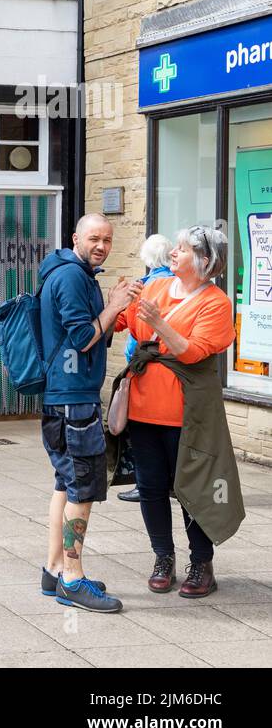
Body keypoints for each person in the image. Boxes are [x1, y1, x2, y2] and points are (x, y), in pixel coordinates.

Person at [112, 226, 243, 598]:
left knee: (192, 489)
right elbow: (124, 321)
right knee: (151, 487)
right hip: (142, 410)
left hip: (188, 414)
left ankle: (202, 562)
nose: (175, 252)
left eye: (183, 249)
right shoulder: (154, 287)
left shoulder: (215, 303)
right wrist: (116, 301)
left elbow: (191, 352)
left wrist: (157, 324)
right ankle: (162, 557)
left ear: (205, 262)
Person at [36, 213, 141, 612]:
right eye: (94, 238)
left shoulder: (76, 274)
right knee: (82, 487)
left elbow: (91, 333)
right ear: (76, 237)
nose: (102, 245)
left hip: (66, 396)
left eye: (108, 240)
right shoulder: (70, 277)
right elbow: (82, 339)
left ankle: (53, 569)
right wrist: (114, 304)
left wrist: (112, 306)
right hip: (72, 399)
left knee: (65, 484)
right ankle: (73, 579)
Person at [118, 234, 175, 503]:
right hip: (174, 371)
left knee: (142, 431)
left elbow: (130, 332)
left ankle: (145, 484)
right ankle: (172, 483)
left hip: (144, 368)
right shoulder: (179, 286)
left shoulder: (143, 287)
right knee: (170, 434)